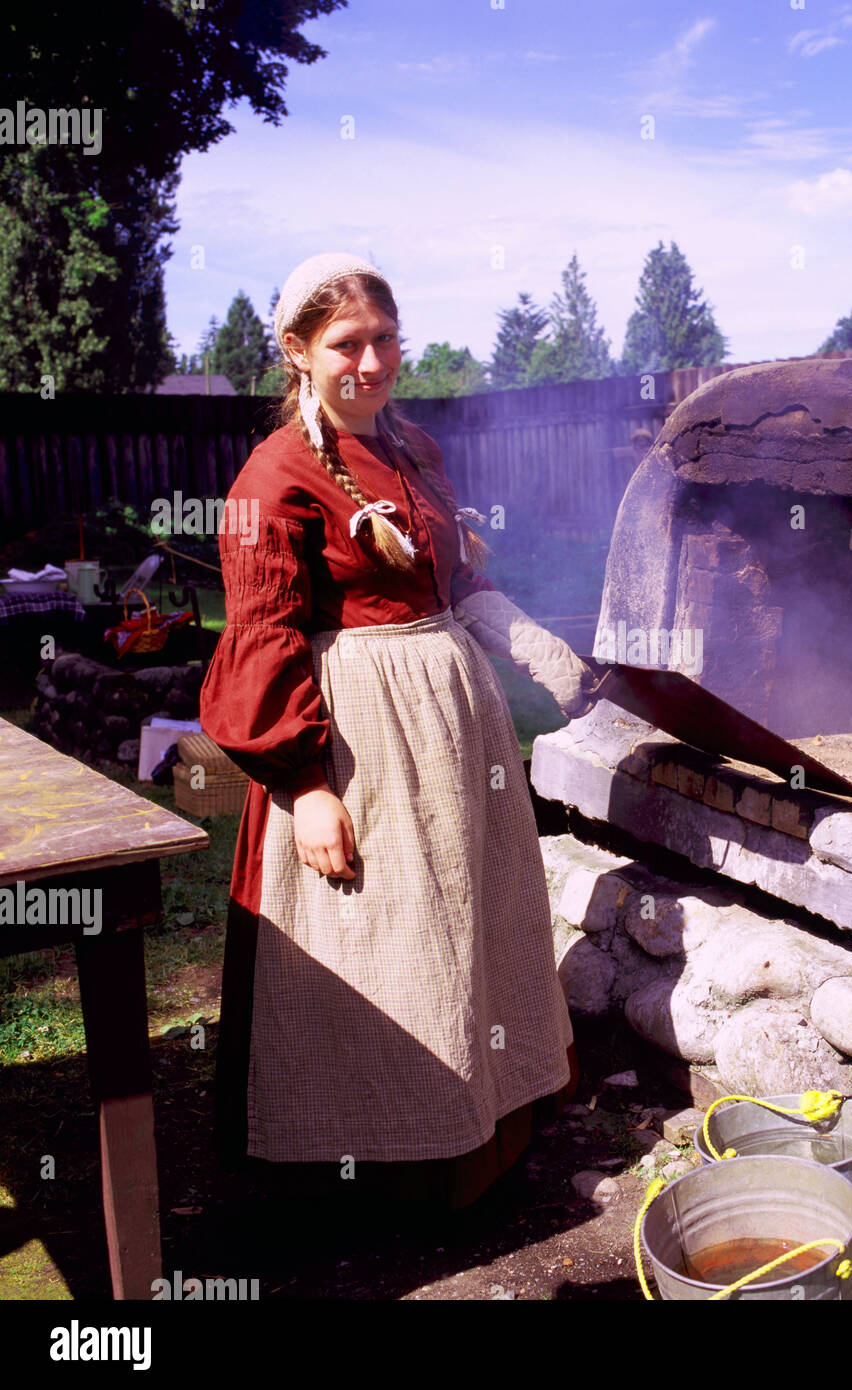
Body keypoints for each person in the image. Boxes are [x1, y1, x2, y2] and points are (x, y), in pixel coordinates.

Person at [199, 252, 598, 1215]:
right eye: (346, 345)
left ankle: (480, 1129)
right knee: (383, 936)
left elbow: (449, 584)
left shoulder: (413, 448)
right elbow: (263, 640)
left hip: (454, 736)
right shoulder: (275, 477)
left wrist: (543, 653)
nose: (371, 362)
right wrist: (306, 787)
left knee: (467, 922)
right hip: (358, 743)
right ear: (297, 353)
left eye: (384, 339)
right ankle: (375, 1174)